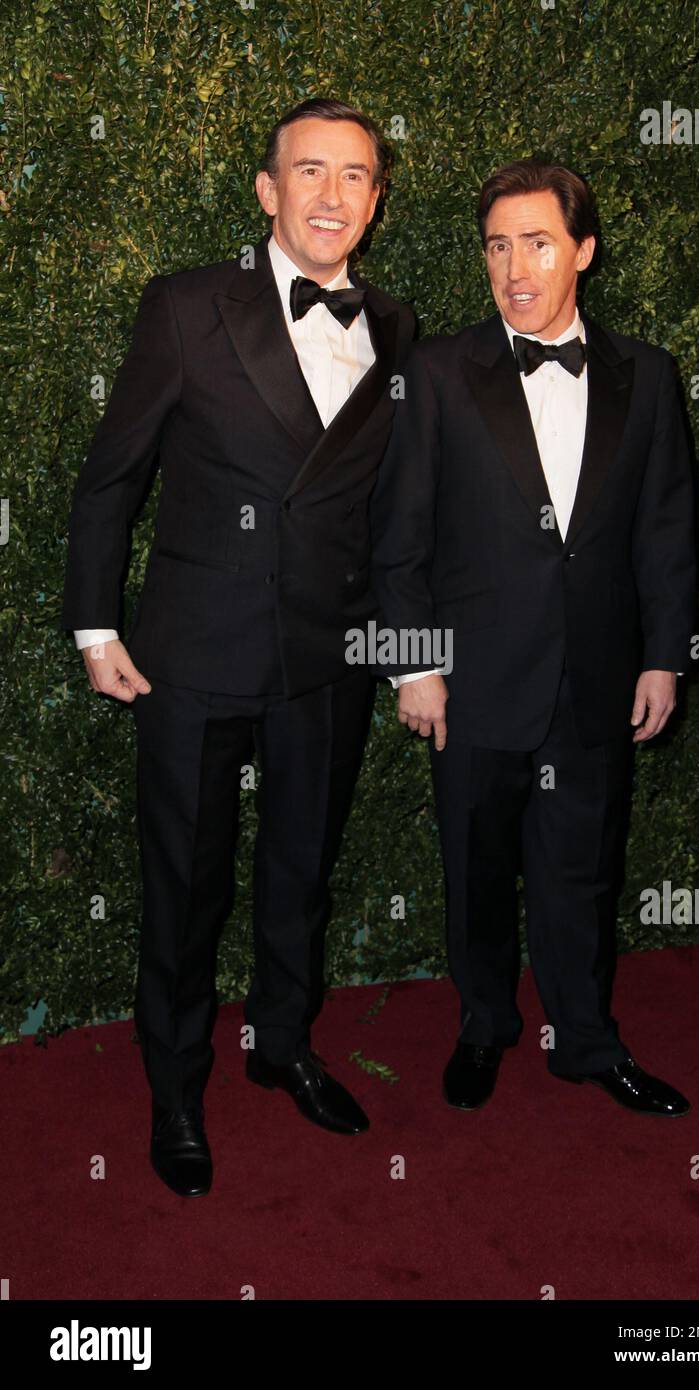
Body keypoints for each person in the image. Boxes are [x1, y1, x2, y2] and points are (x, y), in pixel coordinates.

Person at [62, 98, 415, 1196]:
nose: (329, 195)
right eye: (307, 171)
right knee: (184, 880)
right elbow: (112, 475)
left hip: (329, 653)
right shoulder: (184, 307)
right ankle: (174, 1081)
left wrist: (409, 651)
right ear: (266, 191)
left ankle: (283, 1042)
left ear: (375, 200)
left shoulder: (398, 329)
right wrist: (93, 619)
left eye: (354, 176)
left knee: (300, 868)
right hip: (196, 647)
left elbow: (398, 512)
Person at [370, 157, 696, 1117]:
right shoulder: (434, 373)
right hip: (469, 683)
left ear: (583, 251)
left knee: (581, 871)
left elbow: (666, 530)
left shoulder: (649, 373)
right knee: (473, 872)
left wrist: (662, 655)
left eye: (538, 241)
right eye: (498, 244)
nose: (514, 265)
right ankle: (483, 1026)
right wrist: (412, 667)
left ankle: (586, 1043)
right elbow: (398, 539)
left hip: (596, 680)